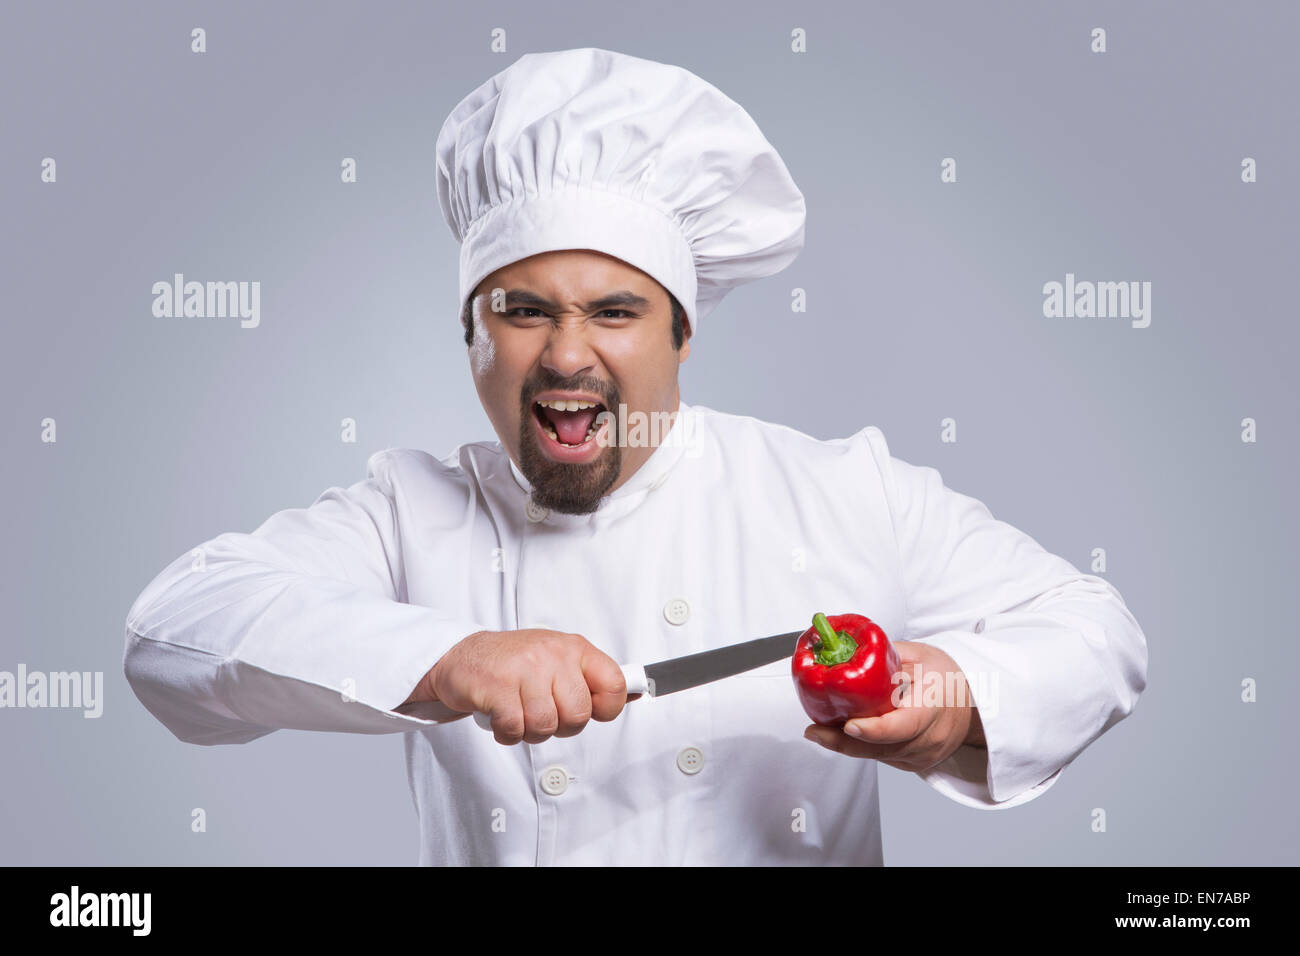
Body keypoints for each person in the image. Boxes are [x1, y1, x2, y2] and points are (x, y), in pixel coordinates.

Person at [123, 47, 1147, 865]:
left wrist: (961, 695)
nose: (567, 353)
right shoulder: (407, 511)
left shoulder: (840, 492)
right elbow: (173, 634)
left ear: (682, 333)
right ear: (470, 332)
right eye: (521, 311)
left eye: (615, 310)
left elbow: (1096, 630)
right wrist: (450, 657)